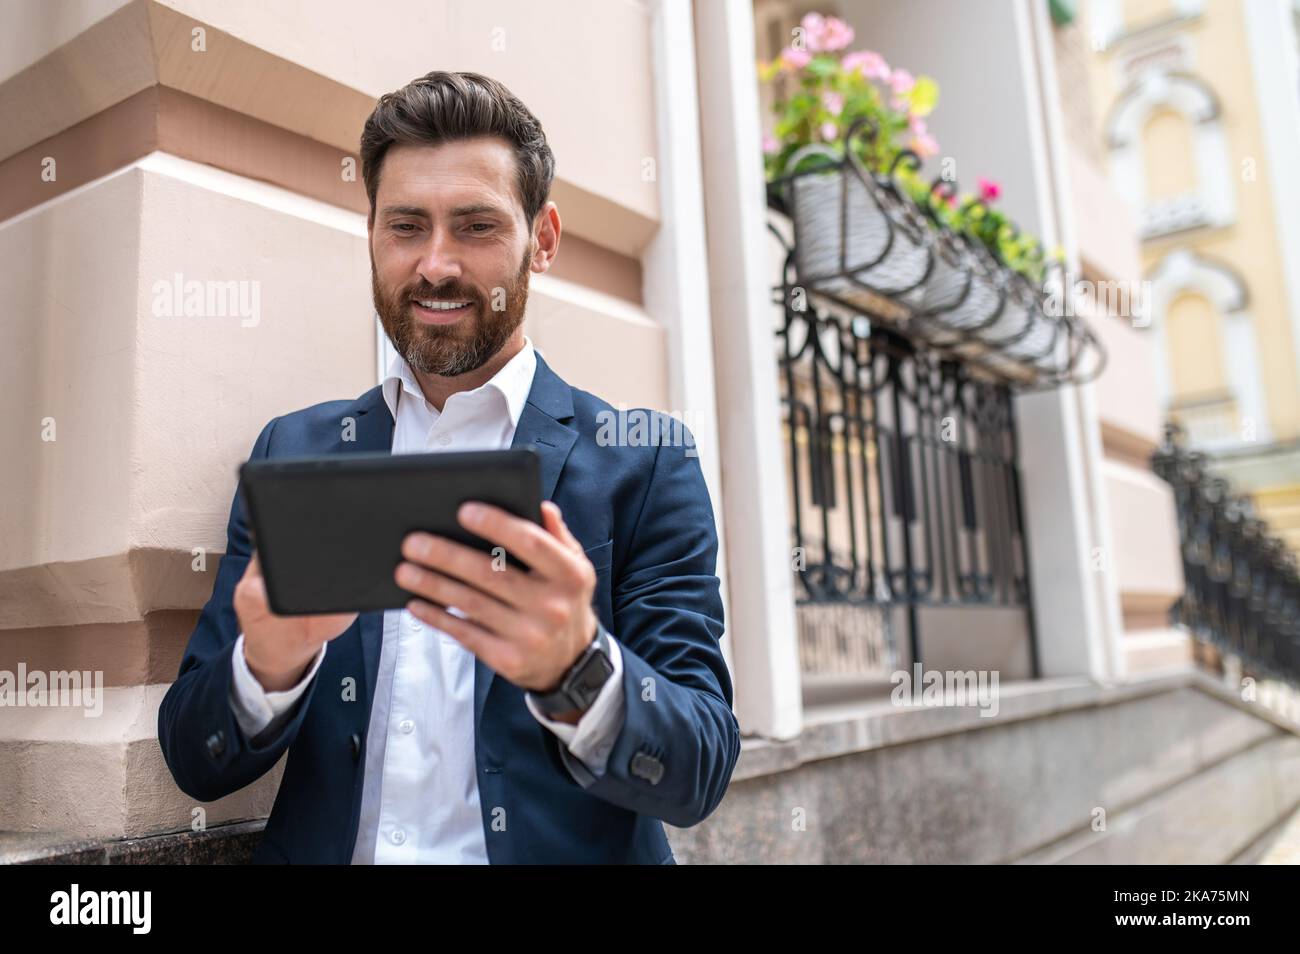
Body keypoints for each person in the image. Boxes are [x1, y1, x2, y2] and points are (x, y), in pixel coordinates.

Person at [156, 70, 739, 864]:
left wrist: (579, 671)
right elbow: (195, 758)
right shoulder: (293, 454)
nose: (435, 265)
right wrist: (266, 664)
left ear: (544, 239)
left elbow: (699, 769)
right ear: (371, 235)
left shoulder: (646, 462)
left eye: (475, 227)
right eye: (406, 226)